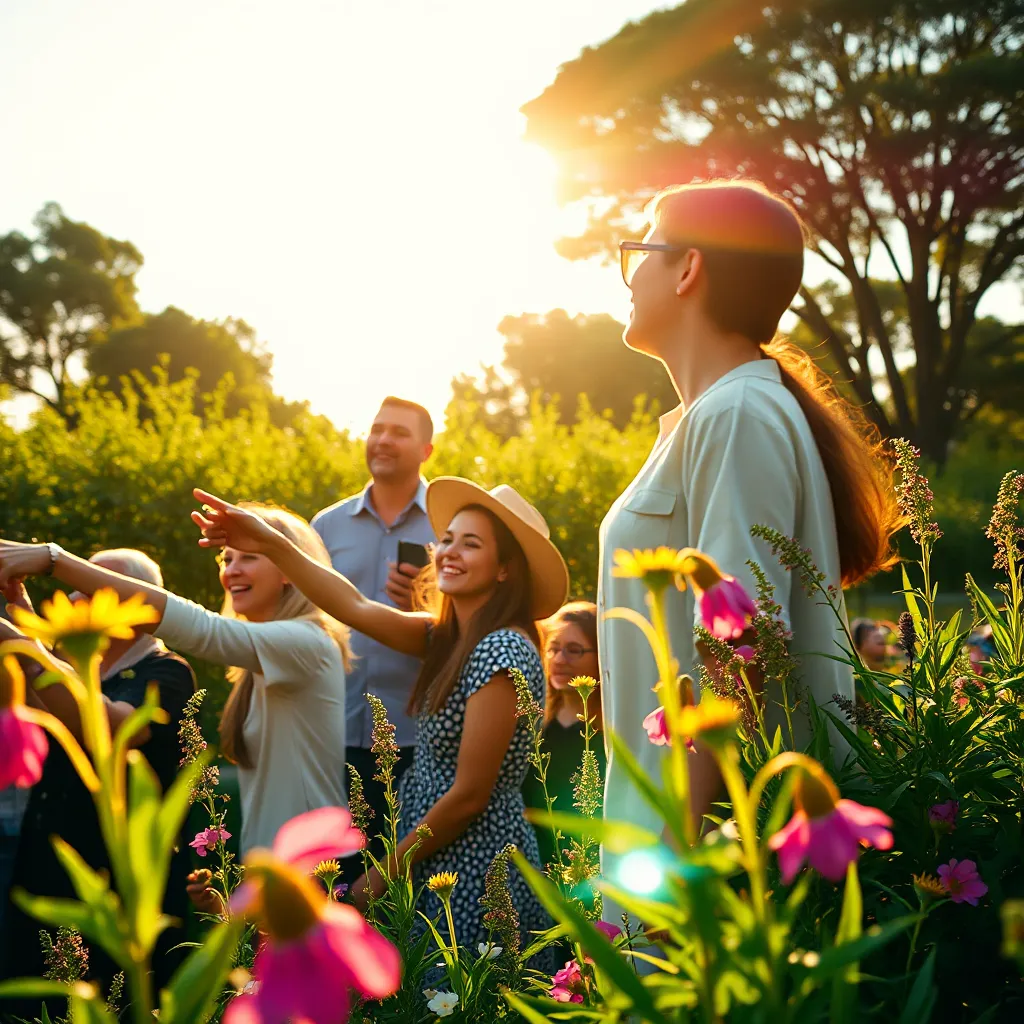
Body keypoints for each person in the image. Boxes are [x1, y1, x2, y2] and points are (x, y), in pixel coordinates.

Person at [600, 180, 900, 933]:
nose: (628, 275)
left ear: (688, 268)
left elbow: (742, 644)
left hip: (710, 857)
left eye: (639, 250)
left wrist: (681, 858)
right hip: (682, 828)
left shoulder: (737, 413)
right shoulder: (716, 414)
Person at [189, 478, 569, 949]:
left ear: (505, 568)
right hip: (429, 859)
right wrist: (269, 542)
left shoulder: (503, 648)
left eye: (470, 544)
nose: (449, 552)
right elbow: (351, 604)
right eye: (447, 539)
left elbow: (470, 796)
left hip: (474, 868)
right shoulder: (447, 638)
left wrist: (378, 878)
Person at [0, 509, 351, 860]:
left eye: (249, 557)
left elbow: (201, 628)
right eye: (226, 559)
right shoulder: (267, 661)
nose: (231, 570)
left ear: (291, 569)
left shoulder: (308, 644)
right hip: (280, 864)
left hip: (317, 865)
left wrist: (53, 559)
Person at [0, 549, 195, 1006]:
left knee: (120, 998)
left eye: (89, 587)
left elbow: (111, 726)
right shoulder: (77, 670)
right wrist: (22, 619)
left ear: (138, 603)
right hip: (48, 864)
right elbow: (54, 701)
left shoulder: (167, 670)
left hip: (122, 878)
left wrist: (22, 642)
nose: (72, 597)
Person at [311, 397, 435, 874]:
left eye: (399, 432)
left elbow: (474, 624)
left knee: (413, 886)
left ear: (426, 450)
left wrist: (426, 606)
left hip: (421, 737)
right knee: (336, 880)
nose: (383, 440)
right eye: (377, 429)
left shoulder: (448, 525)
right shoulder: (326, 526)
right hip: (335, 732)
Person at [522, 601, 606, 875]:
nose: (559, 660)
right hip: (536, 869)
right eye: (553, 649)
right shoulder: (531, 725)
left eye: (574, 650)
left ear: (601, 654)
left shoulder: (611, 734)